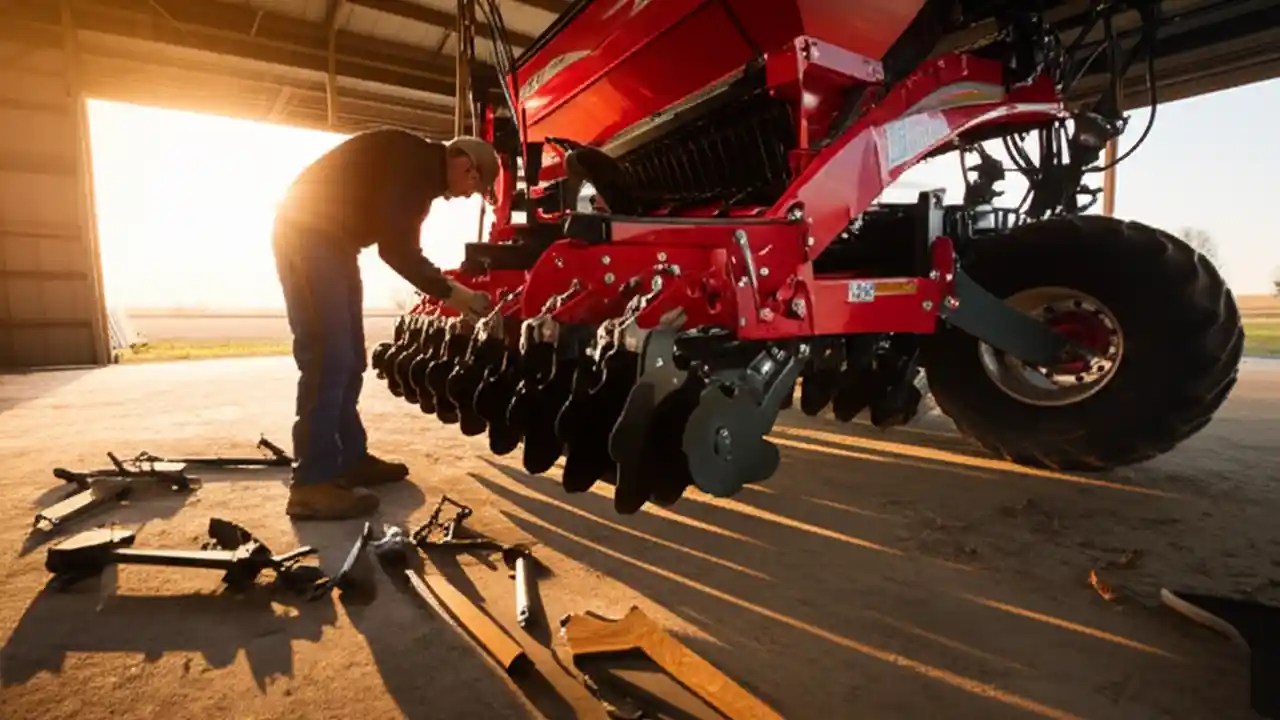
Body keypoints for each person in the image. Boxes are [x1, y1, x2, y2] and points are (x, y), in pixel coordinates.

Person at [272, 128, 497, 520]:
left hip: (334, 245)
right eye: (473, 187)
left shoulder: (417, 169)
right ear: (465, 164)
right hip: (307, 238)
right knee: (328, 357)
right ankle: (311, 483)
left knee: (350, 358)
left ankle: (349, 458)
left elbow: (397, 243)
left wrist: (449, 290)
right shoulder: (415, 165)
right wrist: (456, 294)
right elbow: (397, 250)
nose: (465, 196)